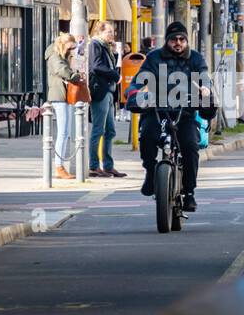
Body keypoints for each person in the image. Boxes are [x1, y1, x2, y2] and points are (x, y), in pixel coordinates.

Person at [125, 21, 215, 212]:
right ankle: (150, 171)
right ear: (167, 40)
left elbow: (204, 78)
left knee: (190, 146)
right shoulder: (154, 58)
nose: (178, 43)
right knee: (147, 135)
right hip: (157, 111)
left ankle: (189, 192)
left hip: (185, 113)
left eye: (182, 39)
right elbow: (139, 80)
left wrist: (206, 91)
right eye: (174, 39)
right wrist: (134, 93)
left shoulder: (196, 59)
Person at [87, 21, 126, 178]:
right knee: (98, 130)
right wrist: (115, 76)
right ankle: (94, 166)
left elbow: (108, 65)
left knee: (110, 130)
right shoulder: (95, 45)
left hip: (109, 92)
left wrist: (116, 53)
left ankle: (108, 165)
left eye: (112, 32)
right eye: (109, 32)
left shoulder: (105, 46)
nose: (112, 34)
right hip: (101, 92)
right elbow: (96, 66)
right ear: (100, 32)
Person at [45, 33, 82, 180]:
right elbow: (62, 70)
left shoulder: (62, 55)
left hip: (64, 95)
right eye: (70, 47)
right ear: (64, 44)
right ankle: (59, 166)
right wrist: (74, 76)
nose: (72, 49)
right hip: (59, 95)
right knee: (63, 132)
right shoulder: (55, 56)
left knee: (65, 132)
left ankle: (60, 166)